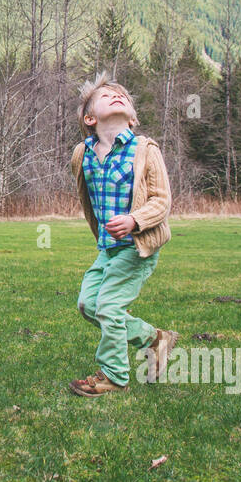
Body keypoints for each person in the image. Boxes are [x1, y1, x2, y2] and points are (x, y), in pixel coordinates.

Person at [68, 73, 179, 396]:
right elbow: (88, 200)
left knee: (109, 308)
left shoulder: (145, 149)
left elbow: (162, 200)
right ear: (90, 118)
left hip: (137, 247)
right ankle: (154, 338)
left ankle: (114, 376)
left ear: (132, 116)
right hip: (108, 249)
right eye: (106, 96)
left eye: (122, 97)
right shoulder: (83, 155)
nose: (116, 97)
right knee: (89, 305)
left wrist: (134, 220)